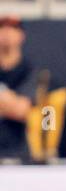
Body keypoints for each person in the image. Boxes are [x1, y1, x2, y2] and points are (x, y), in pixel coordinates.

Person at [0, 15, 35, 164]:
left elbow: (22, 111)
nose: (7, 33)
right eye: (2, 28)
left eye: (13, 28)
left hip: (19, 155)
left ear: (21, 35)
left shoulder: (30, 71)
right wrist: (10, 99)